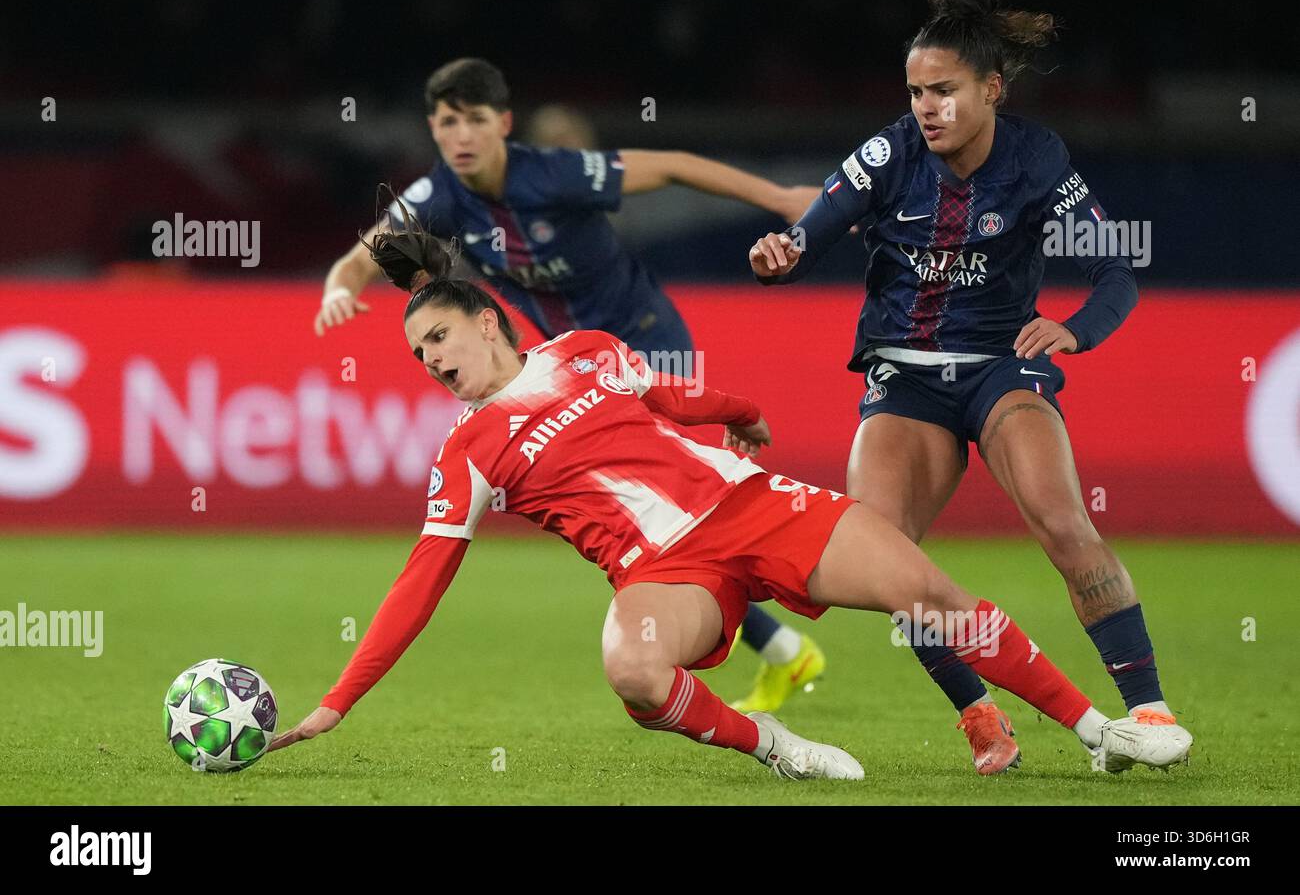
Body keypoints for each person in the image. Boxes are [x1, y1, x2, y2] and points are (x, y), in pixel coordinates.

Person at [269, 213, 1193, 780]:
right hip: (663, 573)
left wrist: (740, 412)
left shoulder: (585, 350)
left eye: (438, 340)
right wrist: (336, 704)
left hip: (753, 503)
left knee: (932, 595)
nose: (431, 364)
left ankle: (1096, 728)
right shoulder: (465, 452)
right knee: (631, 671)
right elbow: (420, 581)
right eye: (417, 357)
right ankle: (774, 746)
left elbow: (669, 398)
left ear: (484, 322)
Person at [747, 0, 1186, 774]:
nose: (927, 108)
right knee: (889, 561)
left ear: (991, 88)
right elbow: (811, 231)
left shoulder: (1037, 159)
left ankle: (1149, 709)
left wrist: (1077, 329)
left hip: (999, 369)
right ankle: (979, 712)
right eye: (916, 91)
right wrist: (784, 255)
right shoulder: (887, 157)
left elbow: (1115, 270)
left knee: (1062, 521)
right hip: (904, 376)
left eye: (944, 90)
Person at [315, 57, 829, 713]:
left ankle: (812, 589)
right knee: (642, 527)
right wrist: (339, 285)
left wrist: (783, 199)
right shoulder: (440, 194)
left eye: (475, 120)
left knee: (674, 515)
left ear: (502, 123)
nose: (462, 136)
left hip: (648, 342)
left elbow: (672, 163)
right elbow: (364, 255)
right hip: (571, 365)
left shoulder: (554, 173)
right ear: (434, 129)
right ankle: (785, 648)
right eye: (448, 123)